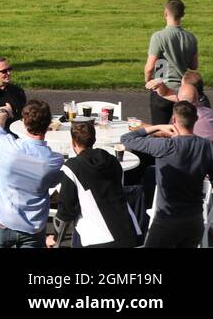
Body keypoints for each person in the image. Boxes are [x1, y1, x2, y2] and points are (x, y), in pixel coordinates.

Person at [122, 102, 213, 247]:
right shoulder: (207, 146)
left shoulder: (165, 146)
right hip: (194, 220)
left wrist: (157, 127)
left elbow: (127, 139)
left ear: (174, 120)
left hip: (167, 219)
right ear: (196, 119)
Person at [0, 100, 65, 248]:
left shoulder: (9, 147)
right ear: (48, 126)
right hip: (33, 228)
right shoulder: (54, 161)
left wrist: (5, 111)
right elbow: (55, 183)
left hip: (2, 221)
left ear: (25, 123)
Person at [48, 121, 141, 248]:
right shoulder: (113, 161)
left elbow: (66, 210)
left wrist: (55, 238)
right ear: (94, 139)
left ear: (73, 142)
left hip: (99, 240)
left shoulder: (72, 167)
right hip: (133, 234)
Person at [144, 0, 198, 127]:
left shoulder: (159, 37)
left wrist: (148, 80)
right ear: (182, 15)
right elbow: (194, 66)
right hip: (183, 91)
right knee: (183, 128)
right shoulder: (191, 37)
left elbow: (150, 67)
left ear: (165, 13)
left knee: (159, 130)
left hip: (162, 88)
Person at [149, 71, 213, 138]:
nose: (180, 88)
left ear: (189, 88)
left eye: (182, 85)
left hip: (190, 142)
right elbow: (167, 93)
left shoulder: (193, 109)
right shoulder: (196, 99)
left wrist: (141, 126)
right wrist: (161, 84)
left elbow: (172, 132)